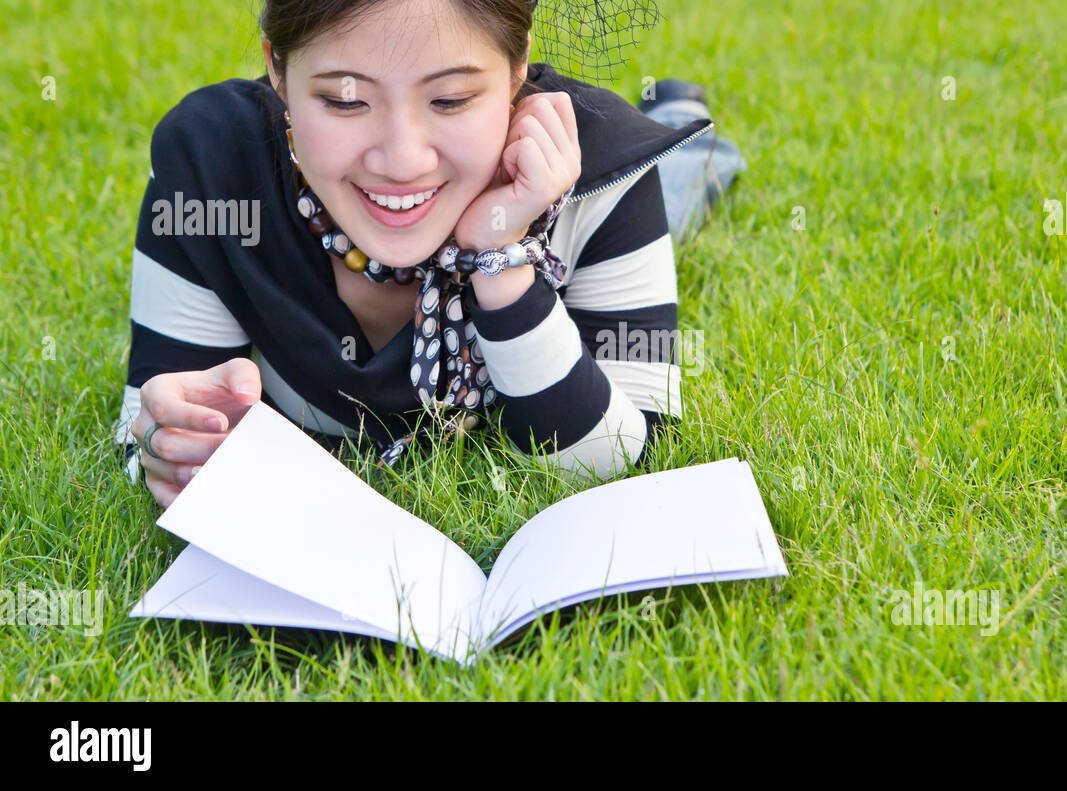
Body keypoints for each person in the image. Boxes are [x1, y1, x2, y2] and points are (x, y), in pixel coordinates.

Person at [110, 0, 746, 509]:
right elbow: (151, 424)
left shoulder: (603, 173)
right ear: (277, 69)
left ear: (519, 62)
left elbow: (623, 461)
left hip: (569, 195)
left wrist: (501, 253)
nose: (402, 160)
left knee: (683, 186)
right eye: (345, 100)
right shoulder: (212, 172)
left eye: (449, 100)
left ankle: (679, 119)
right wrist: (172, 442)